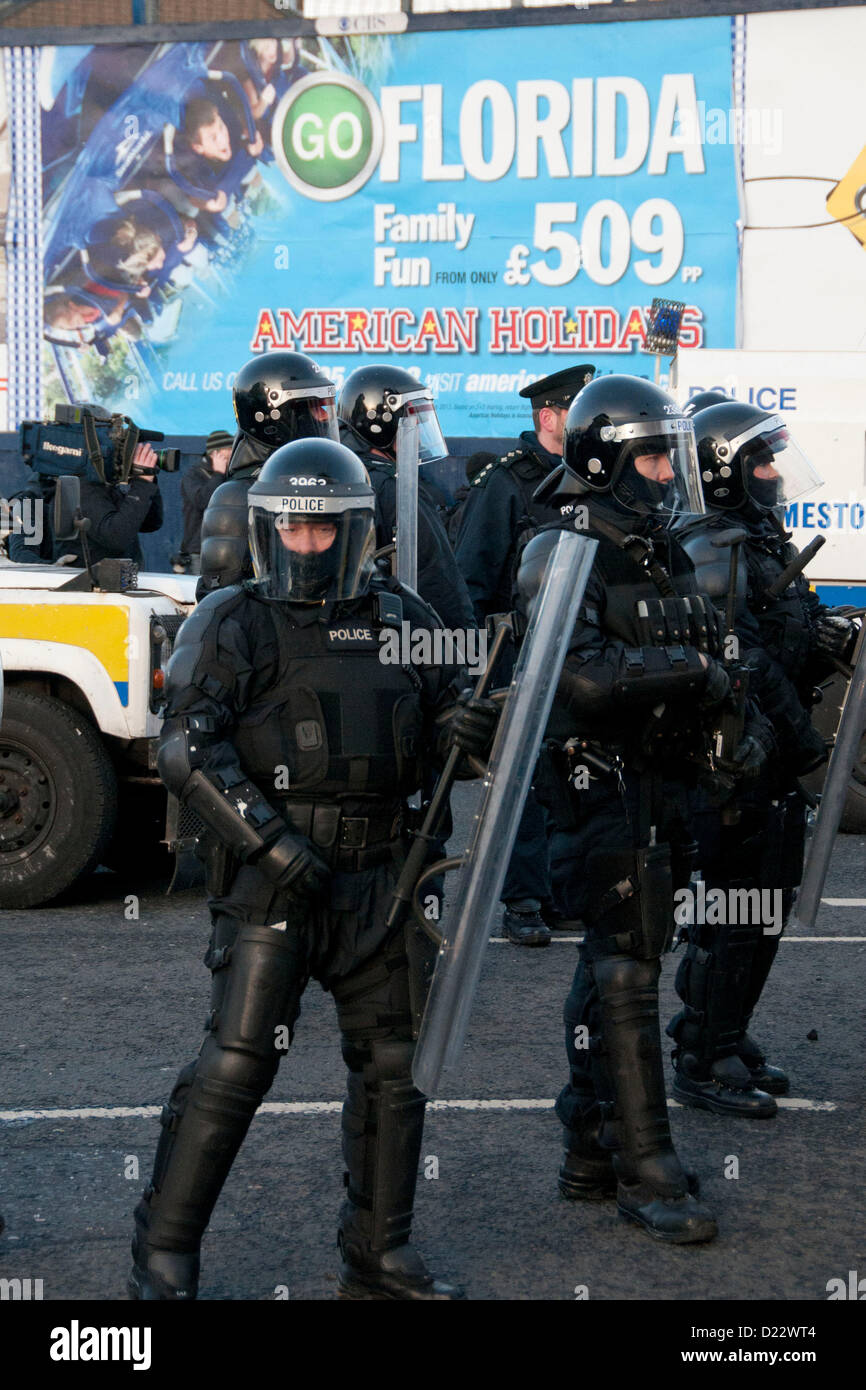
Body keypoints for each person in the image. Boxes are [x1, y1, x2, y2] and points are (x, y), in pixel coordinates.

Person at [129, 437, 498, 1300]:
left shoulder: (410, 619)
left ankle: (379, 1253)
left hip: (389, 876)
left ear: (356, 531)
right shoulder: (231, 619)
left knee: (395, 1066)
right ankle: (165, 1249)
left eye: (324, 528)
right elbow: (187, 745)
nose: (308, 543)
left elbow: (456, 732)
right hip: (275, 880)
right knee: (237, 1062)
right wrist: (267, 841)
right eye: (292, 528)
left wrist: (469, 736)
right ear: (266, 530)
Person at [515, 375, 774, 1242]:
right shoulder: (564, 547)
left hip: (655, 782)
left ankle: (590, 1139)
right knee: (625, 967)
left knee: (617, 957)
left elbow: (696, 639)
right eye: (655, 455)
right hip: (596, 786)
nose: (670, 473)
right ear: (604, 457)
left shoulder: (652, 544)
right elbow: (583, 676)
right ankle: (642, 1162)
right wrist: (694, 675)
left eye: (671, 455)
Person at [666, 400, 853, 1115]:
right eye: (762, 462)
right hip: (734, 764)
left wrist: (833, 639)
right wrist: (804, 745)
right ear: (723, 471)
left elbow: (787, 630)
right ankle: (703, 1058)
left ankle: (719, 1029)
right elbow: (742, 661)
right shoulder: (714, 547)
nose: (775, 474)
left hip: (769, 758)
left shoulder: (756, 537)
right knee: (737, 908)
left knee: (765, 902)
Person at [454, 365, 594, 946]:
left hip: (582, 654)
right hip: (519, 655)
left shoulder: (593, 478)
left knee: (577, 778)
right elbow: (472, 578)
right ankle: (525, 900)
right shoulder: (506, 484)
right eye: (578, 411)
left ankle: (564, 894)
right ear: (548, 418)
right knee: (527, 780)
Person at [337, 364, 475, 632]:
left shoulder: (338, 474)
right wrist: (464, 646)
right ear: (380, 424)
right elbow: (436, 578)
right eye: (412, 420)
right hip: (406, 643)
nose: (420, 433)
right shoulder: (396, 486)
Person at [196, 350, 340, 600]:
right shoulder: (237, 497)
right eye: (314, 406)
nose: (325, 415)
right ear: (275, 416)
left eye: (325, 405)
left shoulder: (328, 482)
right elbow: (217, 605)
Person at [54, 440, 163, 567]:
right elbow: (116, 536)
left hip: (121, 579)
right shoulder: (82, 486)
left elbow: (151, 523)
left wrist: (147, 479)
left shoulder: (107, 484)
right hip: (90, 581)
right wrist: (142, 484)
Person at [173, 430, 234, 573]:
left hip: (227, 546)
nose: (232, 453)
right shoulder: (194, 474)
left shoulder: (231, 474)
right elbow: (202, 501)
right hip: (200, 548)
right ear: (216, 453)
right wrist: (218, 474)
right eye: (229, 449)